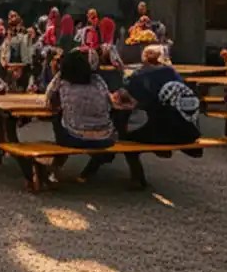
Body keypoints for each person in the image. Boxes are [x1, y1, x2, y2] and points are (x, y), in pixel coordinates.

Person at [44, 49, 116, 183]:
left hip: (74, 137)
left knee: (58, 118)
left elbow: (48, 101)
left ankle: (56, 167)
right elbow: (110, 103)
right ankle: (89, 170)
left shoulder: (61, 81)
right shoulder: (98, 80)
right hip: (105, 138)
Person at [112, 45, 201, 146]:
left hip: (162, 134)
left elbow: (126, 98)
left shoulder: (141, 76)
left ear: (144, 58)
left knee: (123, 123)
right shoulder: (172, 73)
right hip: (188, 133)